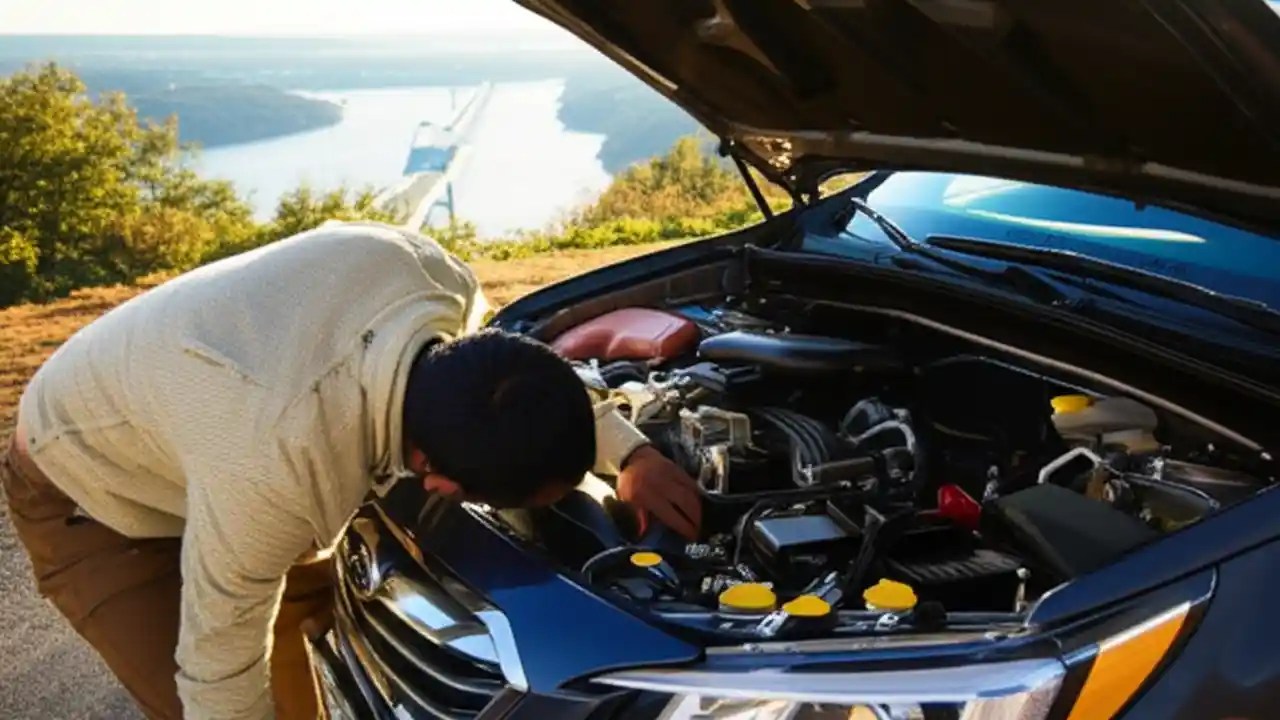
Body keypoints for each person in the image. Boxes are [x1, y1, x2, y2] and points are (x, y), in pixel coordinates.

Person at [0, 221, 703, 720]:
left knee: (299, 620)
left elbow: (516, 371)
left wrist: (628, 452)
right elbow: (219, 667)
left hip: (211, 422)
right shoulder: (277, 472)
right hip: (86, 484)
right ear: (437, 481)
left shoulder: (427, 276)